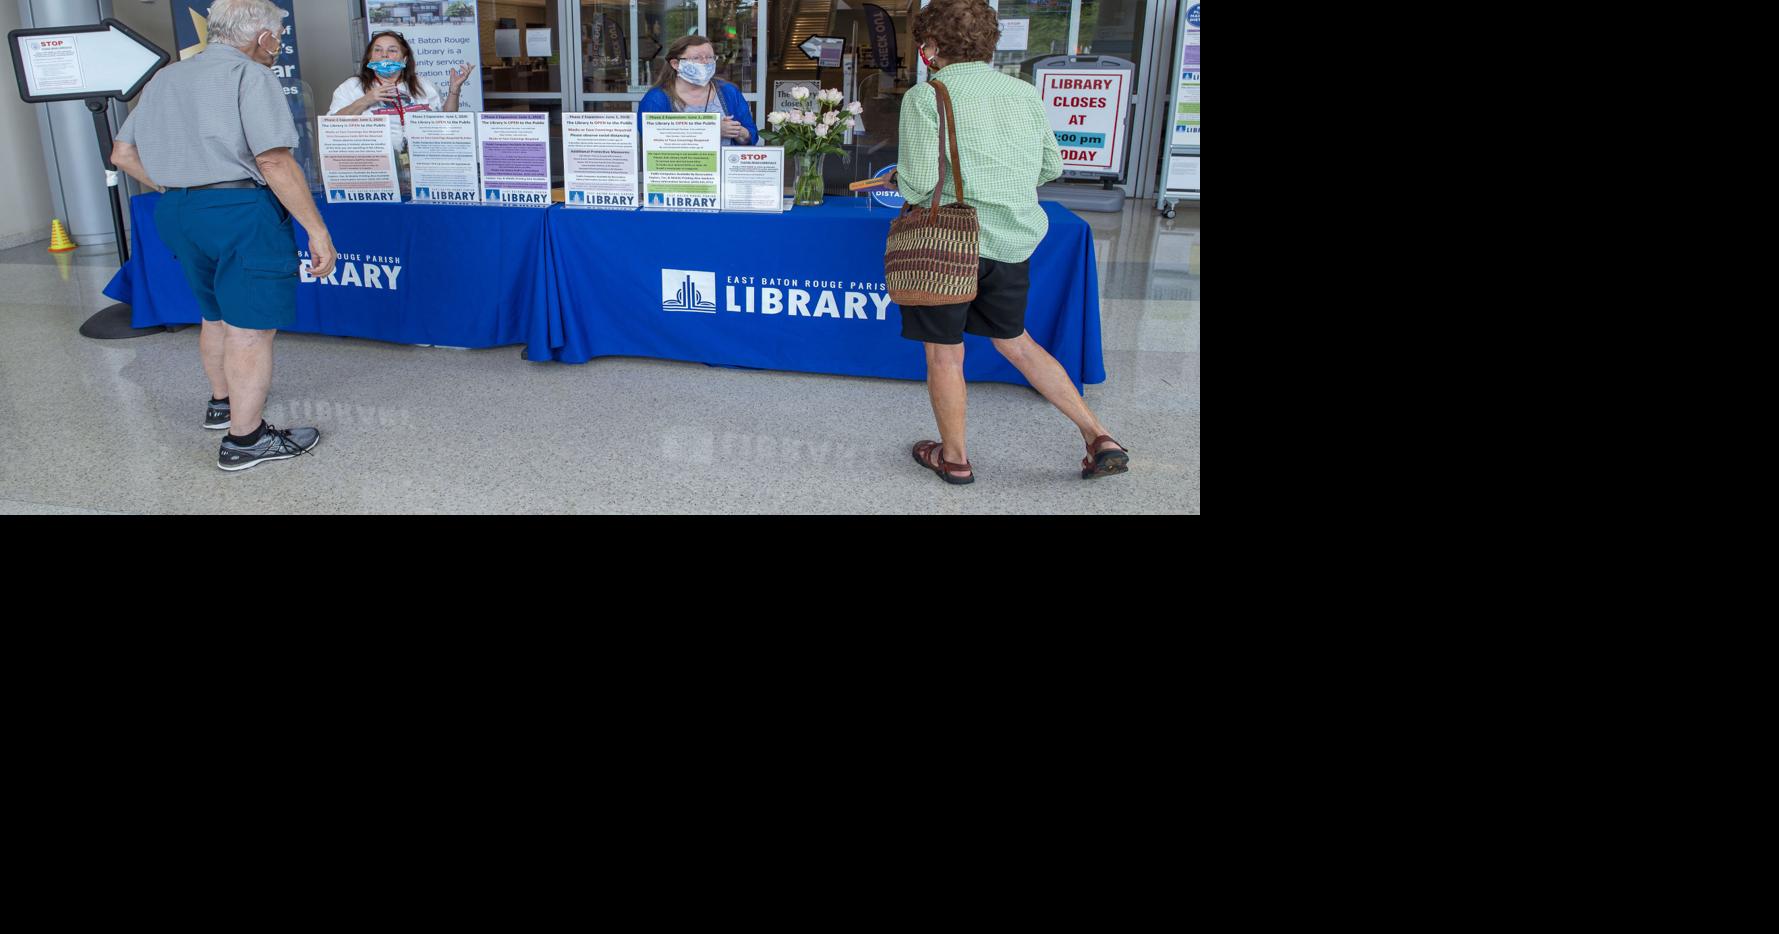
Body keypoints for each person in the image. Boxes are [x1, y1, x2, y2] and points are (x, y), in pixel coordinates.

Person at [895, 0, 1128, 484]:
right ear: (988, 43)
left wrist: (903, 178)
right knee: (1017, 343)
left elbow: (919, 184)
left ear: (931, 46)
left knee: (945, 352)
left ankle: (954, 458)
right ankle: (1098, 435)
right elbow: (1050, 168)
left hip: (947, 247)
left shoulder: (927, 96)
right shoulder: (1022, 93)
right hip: (1010, 242)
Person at [110, 0, 338, 471]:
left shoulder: (166, 78)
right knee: (250, 327)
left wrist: (181, 184)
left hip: (177, 209)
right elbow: (274, 161)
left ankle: (221, 403)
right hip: (239, 210)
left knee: (214, 313)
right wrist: (317, 230)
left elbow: (122, 153)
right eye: (278, 36)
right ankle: (245, 439)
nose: (278, 45)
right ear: (263, 38)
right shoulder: (252, 76)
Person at [329, 30, 474, 152]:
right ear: (369, 57)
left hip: (422, 160)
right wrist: (366, 100)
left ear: (404, 59)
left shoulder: (423, 85)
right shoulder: (352, 87)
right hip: (375, 166)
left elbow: (447, 123)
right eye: (378, 50)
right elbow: (330, 128)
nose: (384, 55)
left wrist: (454, 90)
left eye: (392, 50)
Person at [637, 35, 758, 145]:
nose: (705, 62)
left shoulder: (729, 91)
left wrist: (740, 133)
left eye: (710, 57)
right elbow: (653, 140)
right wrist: (712, 130)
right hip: (679, 167)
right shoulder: (656, 99)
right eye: (697, 58)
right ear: (675, 64)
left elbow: (752, 135)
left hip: (727, 167)